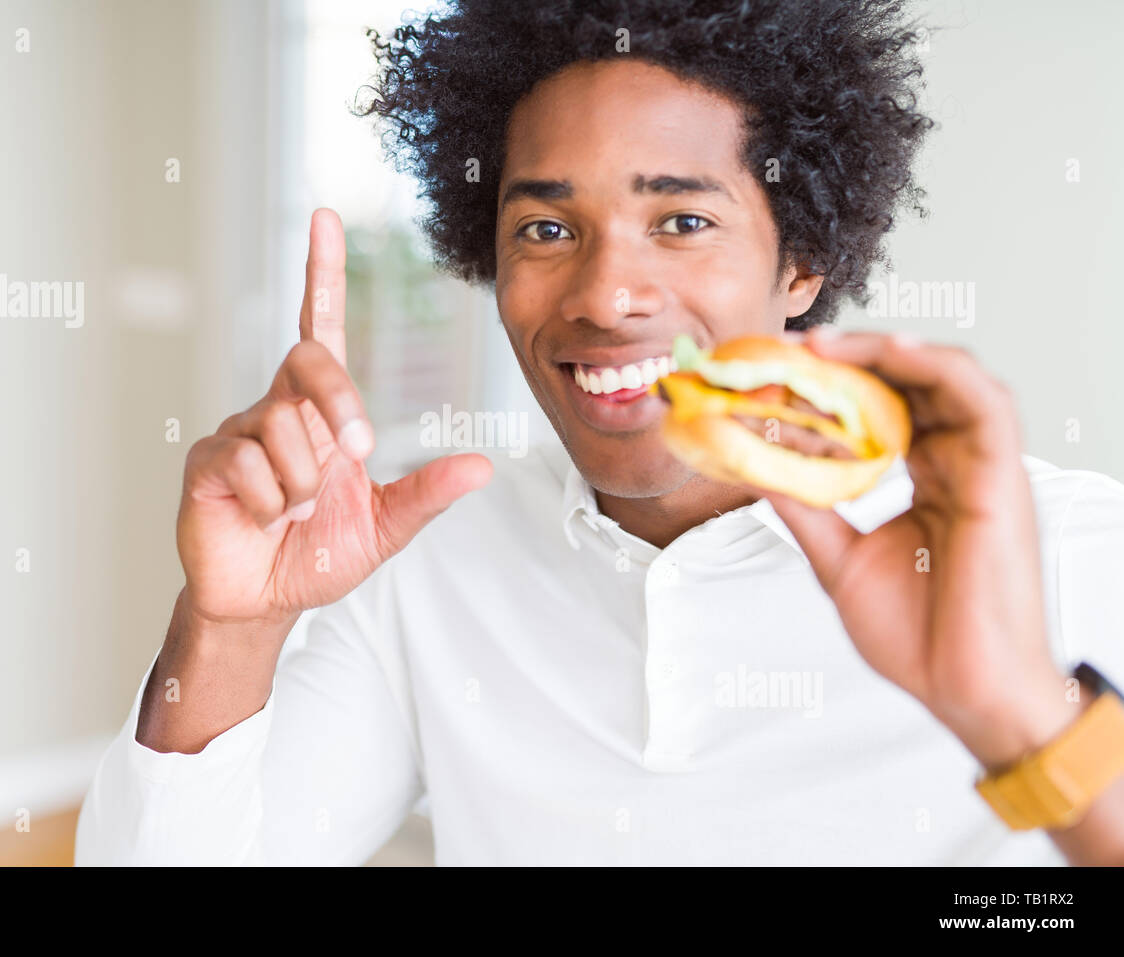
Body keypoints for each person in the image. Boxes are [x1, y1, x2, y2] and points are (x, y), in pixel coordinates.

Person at [75, 0, 1124, 865]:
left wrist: (1023, 718)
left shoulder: (1069, 550)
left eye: (681, 220)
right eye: (545, 228)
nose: (607, 293)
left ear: (799, 261)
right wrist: (231, 628)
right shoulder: (428, 559)